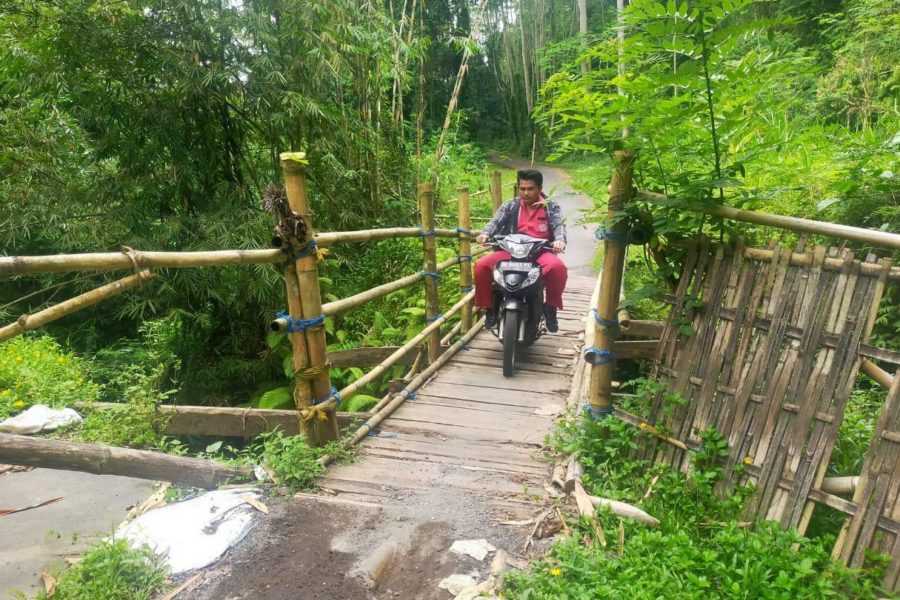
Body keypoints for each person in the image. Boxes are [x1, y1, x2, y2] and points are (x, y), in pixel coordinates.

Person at [475, 169, 567, 333]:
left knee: (558, 268)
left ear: (539, 188)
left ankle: (551, 308)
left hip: (539, 252)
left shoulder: (551, 206)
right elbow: (495, 222)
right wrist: (485, 234)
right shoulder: (510, 205)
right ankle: (488, 309)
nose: (525, 192)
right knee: (481, 266)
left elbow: (558, 226)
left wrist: (559, 240)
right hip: (511, 251)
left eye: (530, 189)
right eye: (522, 188)